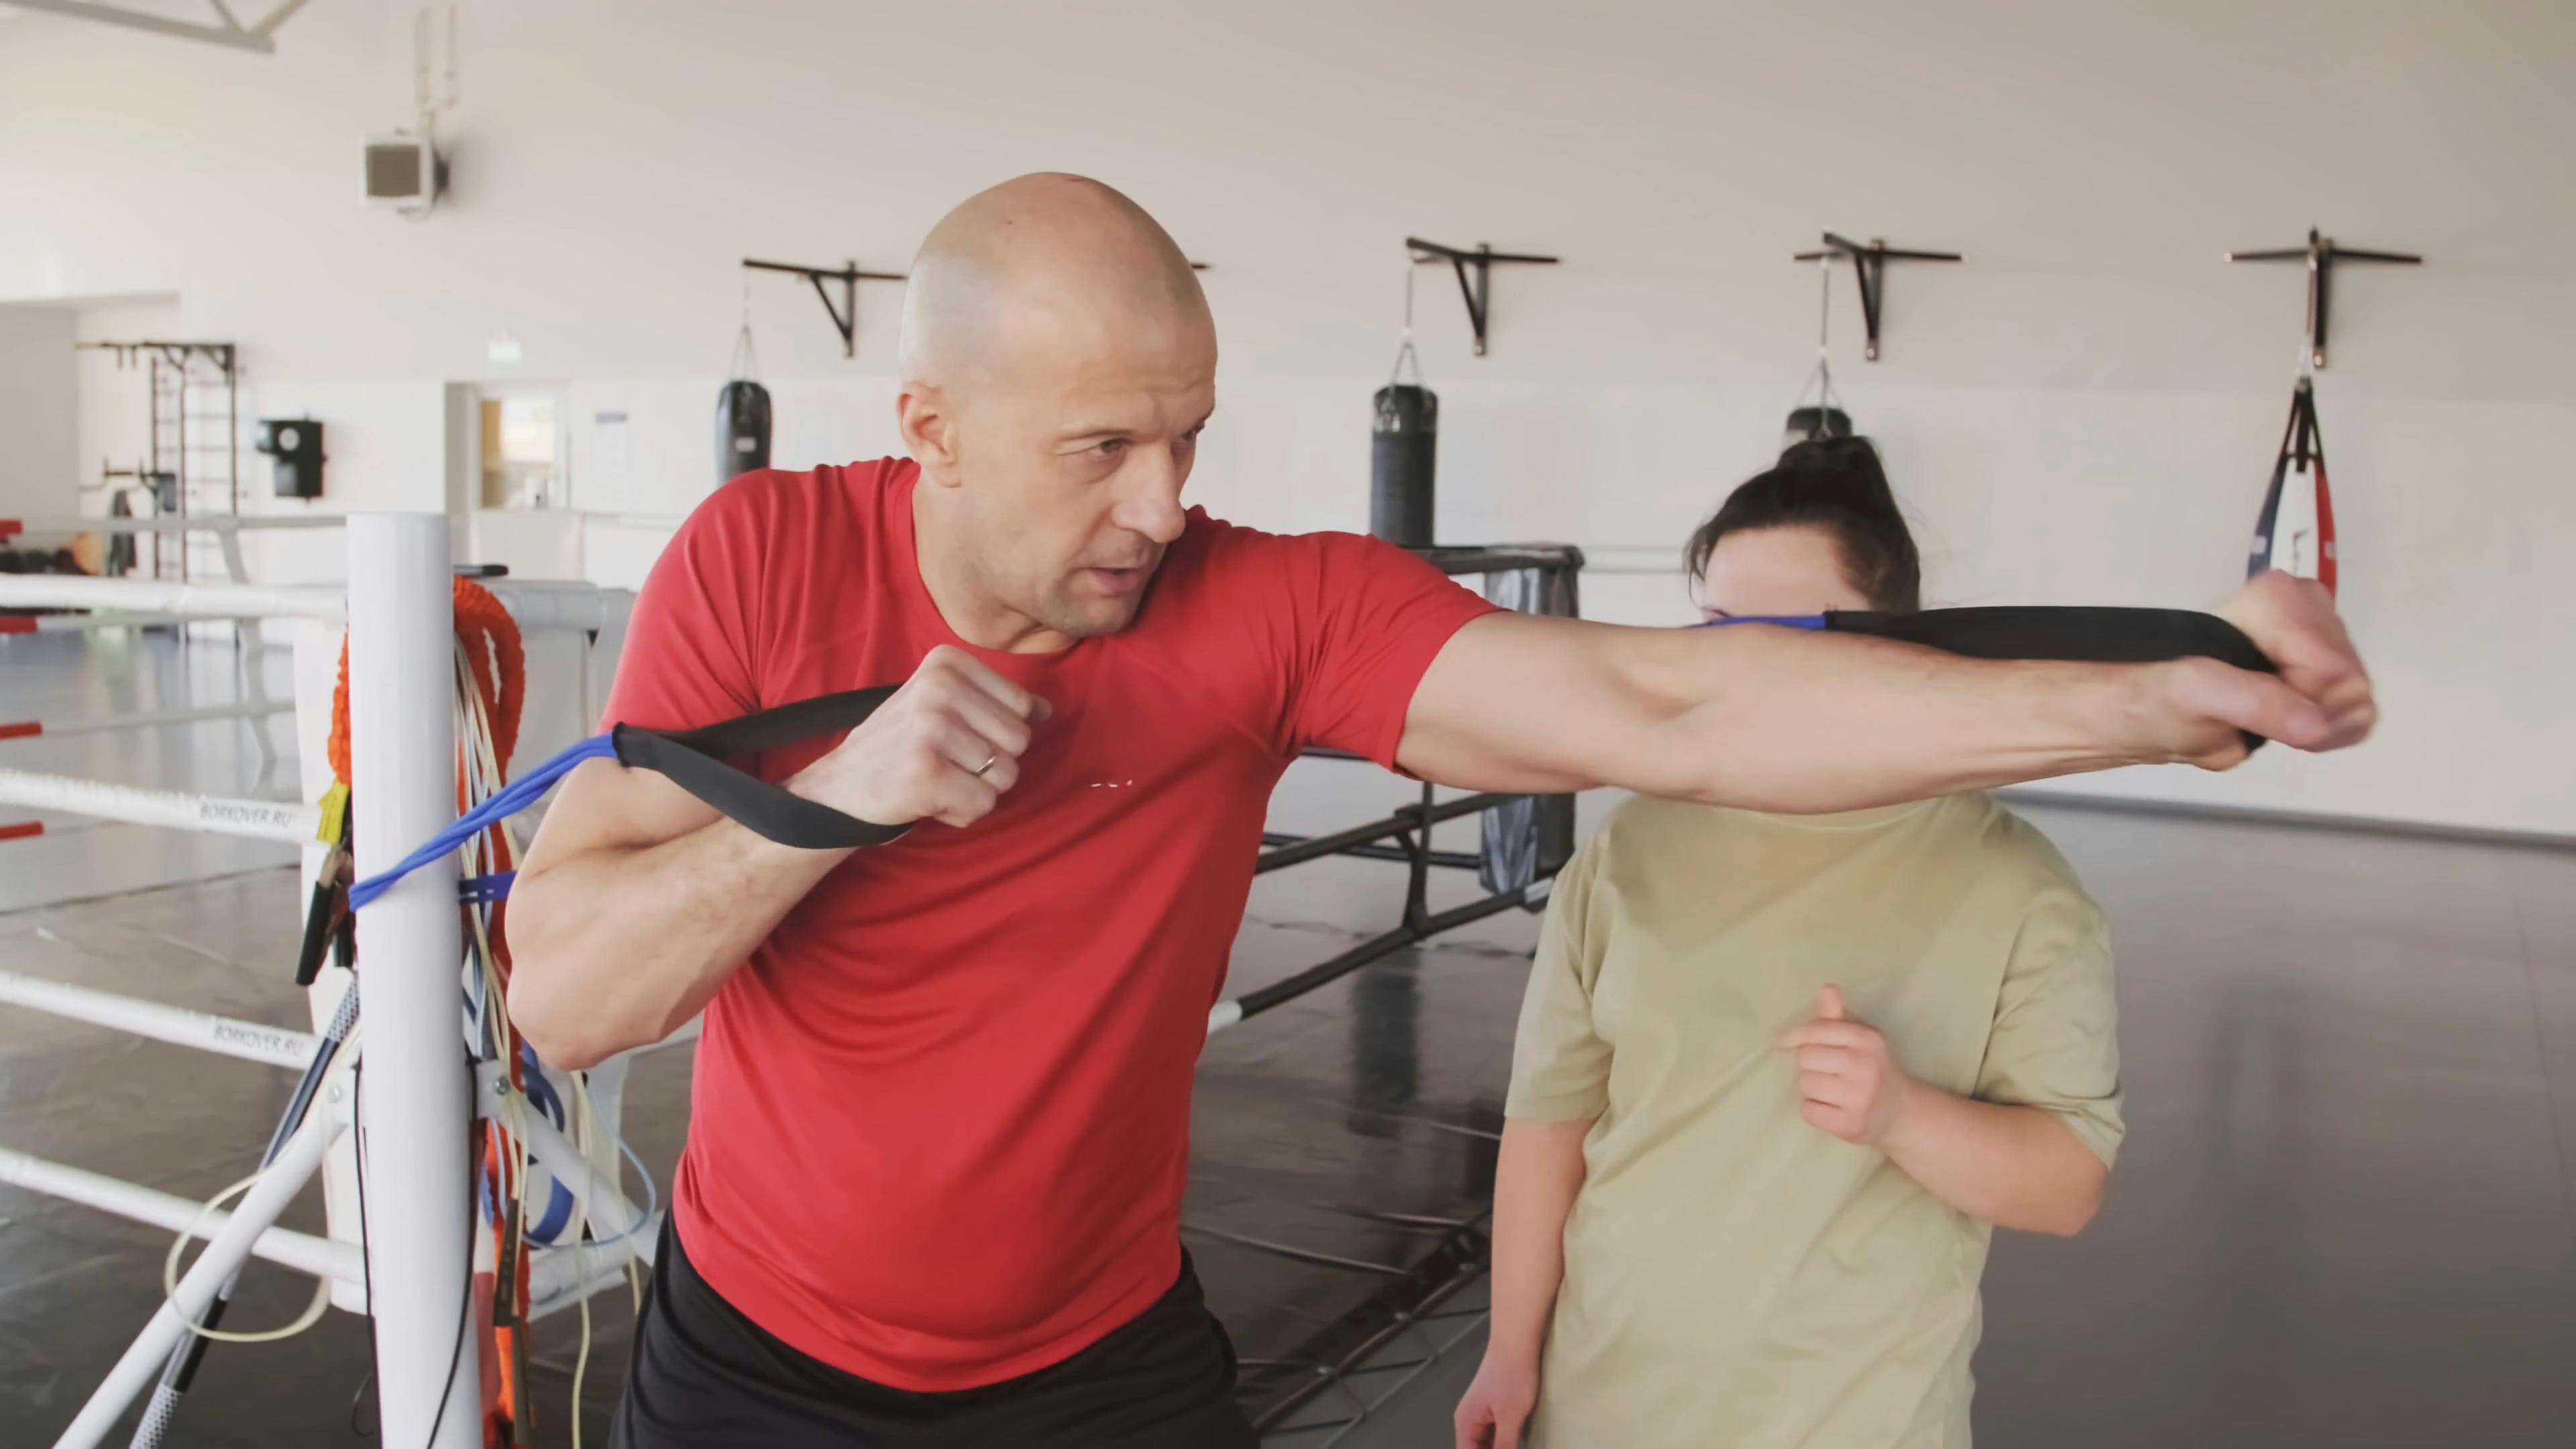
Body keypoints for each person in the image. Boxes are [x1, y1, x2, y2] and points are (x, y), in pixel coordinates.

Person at [503, 174, 2373, 1448]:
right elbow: (566, 995)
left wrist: (2155, 694)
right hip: (757, 1361)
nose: (1161, 505)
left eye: (1190, 437)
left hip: (1094, 1367)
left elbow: (1677, 704)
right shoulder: (756, 561)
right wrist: (835, 799)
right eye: (1100, 451)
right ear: (934, 429)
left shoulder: (1263, 606)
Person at [1454, 439, 2133, 1449]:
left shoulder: (2018, 887)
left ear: (1891, 641)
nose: (1739, 667)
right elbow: (1550, 1121)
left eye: (1781, 632)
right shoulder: (1631, 848)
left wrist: (1905, 1116)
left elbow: (2069, 1183)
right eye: (1717, 631)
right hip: (1601, 1403)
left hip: (1850, 1420)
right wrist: (1512, 1353)